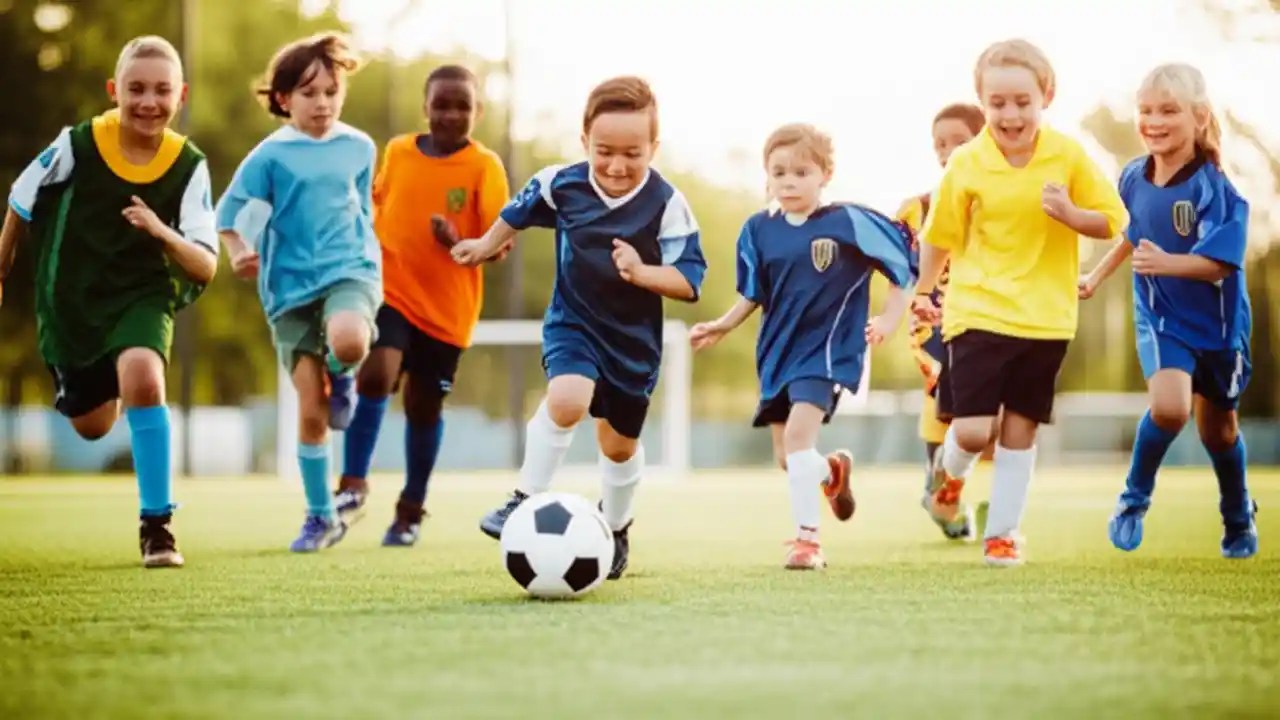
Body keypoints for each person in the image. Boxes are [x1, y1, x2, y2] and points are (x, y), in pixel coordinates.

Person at [451, 76, 706, 581]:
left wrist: (641, 272)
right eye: (604, 150)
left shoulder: (668, 204)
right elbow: (515, 214)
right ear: (584, 141)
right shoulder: (560, 183)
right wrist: (483, 245)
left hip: (633, 345)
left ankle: (616, 527)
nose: (616, 165)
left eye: (633, 153)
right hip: (573, 323)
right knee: (567, 400)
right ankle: (522, 498)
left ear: (654, 147)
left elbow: (689, 280)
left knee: (618, 447)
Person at [0, 36, 218, 568]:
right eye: (135, 89)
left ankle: (158, 527)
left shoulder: (189, 165)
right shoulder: (78, 143)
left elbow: (206, 265)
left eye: (162, 90)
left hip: (144, 293)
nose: (148, 102)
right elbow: (21, 200)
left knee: (145, 373)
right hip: (75, 299)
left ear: (181, 94)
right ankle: (109, 382)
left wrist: (161, 231)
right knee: (93, 425)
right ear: (112, 91)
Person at [912, 39, 1128, 567]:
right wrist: (922, 291)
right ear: (982, 100)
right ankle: (947, 480)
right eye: (998, 102)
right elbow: (938, 235)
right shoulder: (966, 162)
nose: (1010, 114)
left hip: (1047, 318)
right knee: (971, 429)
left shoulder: (1069, 154)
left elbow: (1115, 220)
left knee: (1018, 431)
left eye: (1021, 102)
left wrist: (1072, 215)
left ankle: (1002, 535)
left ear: (1045, 96)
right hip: (978, 310)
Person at [689, 123, 913, 570]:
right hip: (777, 354)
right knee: (788, 458)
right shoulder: (757, 231)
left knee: (796, 439)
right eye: (779, 172)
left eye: (801, 171)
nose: (789, 181)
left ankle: (807, 542)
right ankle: (833, 472)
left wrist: (889, 319)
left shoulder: (849, 221)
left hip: (828, 352)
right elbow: (755, 293)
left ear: (825, 174)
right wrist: (724, 325)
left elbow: (904, 267)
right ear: (767, 177)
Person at [1079, 63, 1256, 559]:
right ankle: (1133, 501)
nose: (1154, 121)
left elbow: (1222, 265)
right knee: (1171, 407)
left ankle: (1238, 517)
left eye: (1168, 111)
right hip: (1160, 317)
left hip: (1219, 329)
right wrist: (1094, 276)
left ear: (1198, 117)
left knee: (1219, 433)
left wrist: (1167, 262)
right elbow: (1131, 234)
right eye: (1146, 111)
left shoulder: (1215, 188)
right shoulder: (1134, 175)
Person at [215, 32, 380, 553]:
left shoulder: (359, 147)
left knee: (350, 339)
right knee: (311, 411)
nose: (323, 103)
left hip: (349, 272)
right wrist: (240, 251)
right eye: (310, 94)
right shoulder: (269, 158)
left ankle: (345, 372)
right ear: (284, 99)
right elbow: (227, 217)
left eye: (332, 91)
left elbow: (362, 212)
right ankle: (320, 516)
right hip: (288, 293)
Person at [333, 64, 511, 548]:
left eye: (463, 106)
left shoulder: (484, 166)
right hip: (391, 292)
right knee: (375, 372)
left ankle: (410, 509)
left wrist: (460, 239)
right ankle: (351, 485)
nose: (451, 115)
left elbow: (500, 240)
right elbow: (376, 203)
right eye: (442, 104)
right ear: (425, 107)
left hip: (448, 311)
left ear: (477, 112)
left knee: (423, 405)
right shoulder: (397, 152)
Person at [895, 102, 985, 540]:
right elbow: (891, 264)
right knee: (942, 393)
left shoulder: (997, 204)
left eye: (959, 142)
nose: (948, 152)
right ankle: (940, 485)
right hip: (933, 326)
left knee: (985, 417)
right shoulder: (916, 210)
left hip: (989, 319)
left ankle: (950, 490)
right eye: (940, 144)